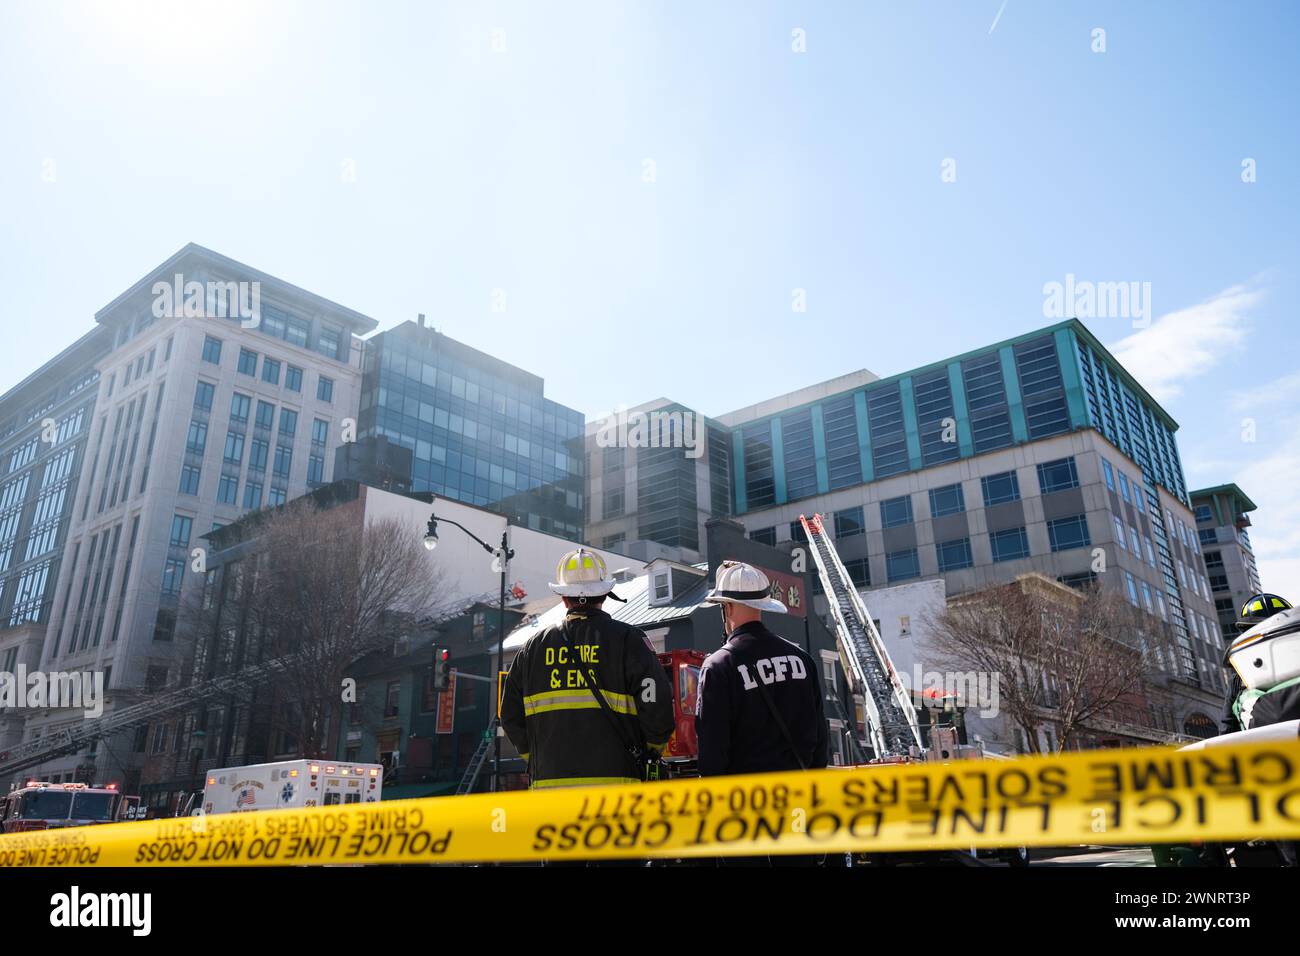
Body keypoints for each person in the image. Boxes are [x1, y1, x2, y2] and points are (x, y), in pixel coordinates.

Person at [500, 547, 674, 791]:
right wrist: (651, 750)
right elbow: (658, 707)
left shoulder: (532, 649)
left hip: (550, 792)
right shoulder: (629, 641)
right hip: (616, 790)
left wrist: (536, 757)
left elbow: (509, 716)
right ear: (604, 594)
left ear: (563, 597)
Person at [695, 560, 828, 866]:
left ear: (726, 608)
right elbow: (820, 741)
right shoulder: (802, 660)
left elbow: (712, 754)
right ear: (762, 606)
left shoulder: (719, 666)